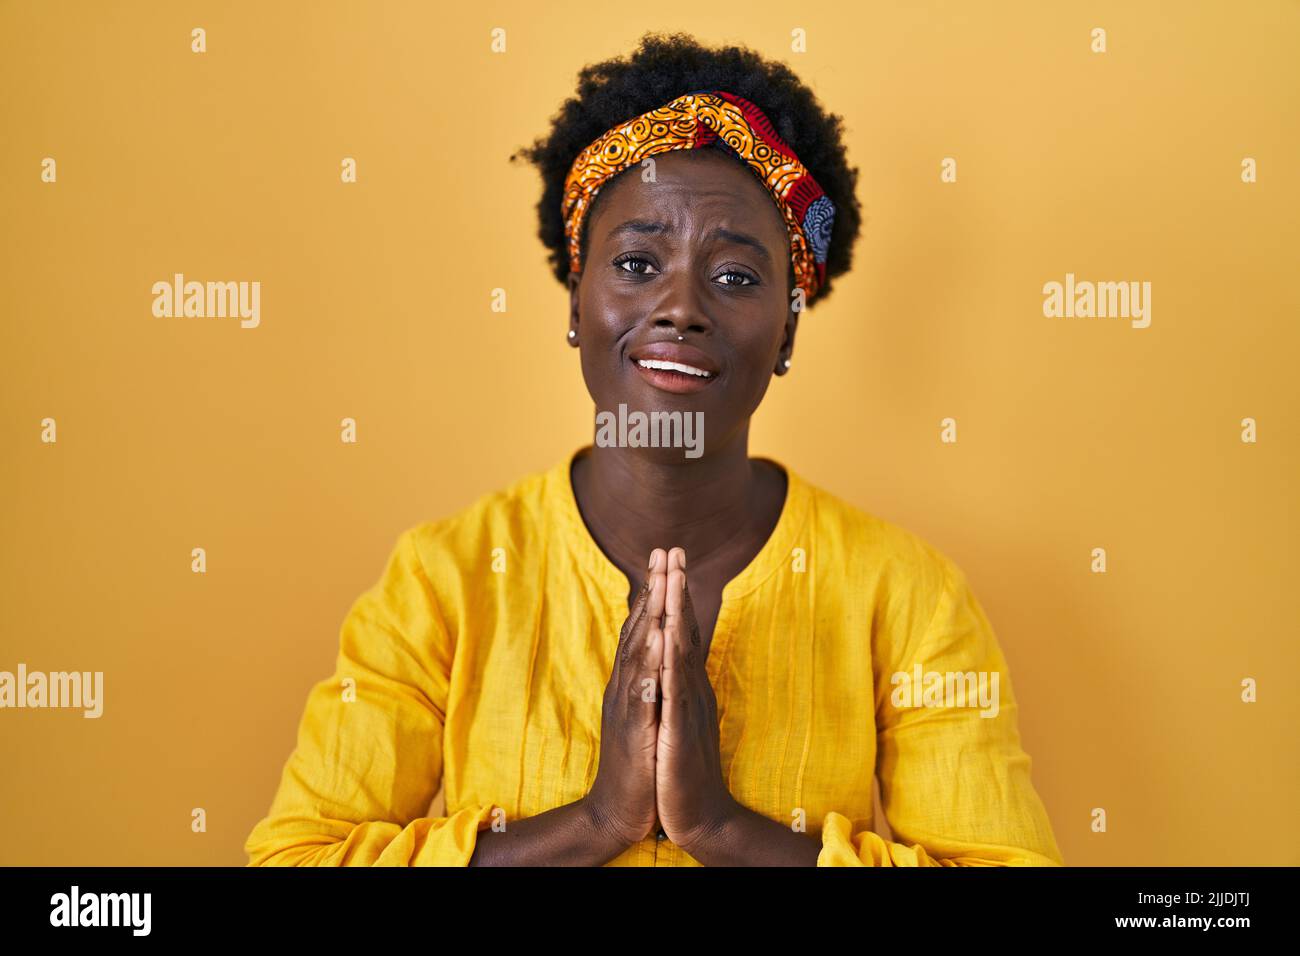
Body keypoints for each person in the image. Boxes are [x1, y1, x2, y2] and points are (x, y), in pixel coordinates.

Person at [244, 32, 1063, 867]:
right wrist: (597, 821)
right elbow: (295, 859)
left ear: (786, 329)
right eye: (637, 262)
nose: (679, 306)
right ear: (576, 301)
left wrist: (719, 827)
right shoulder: (442, 581)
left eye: (737, 277)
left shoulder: (910, 598)